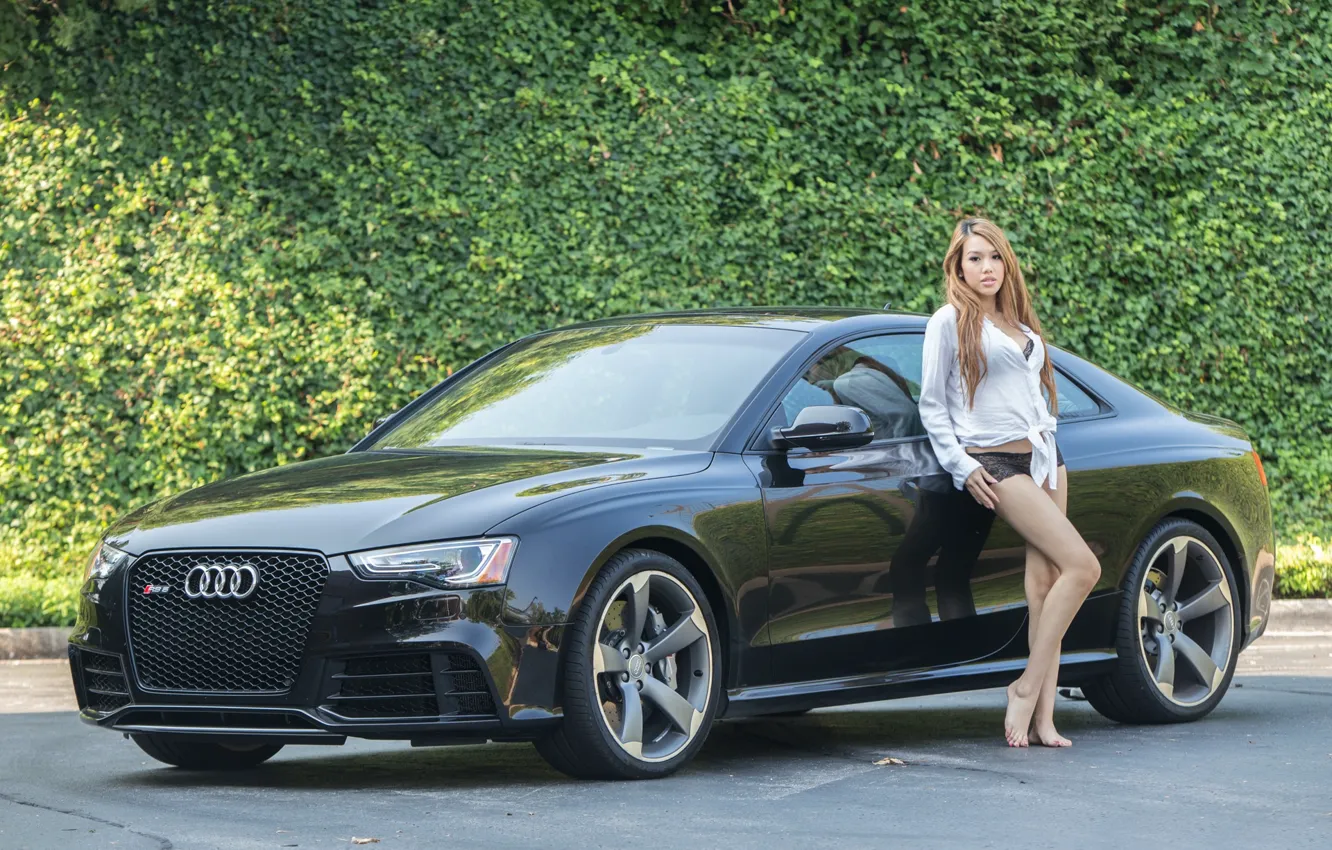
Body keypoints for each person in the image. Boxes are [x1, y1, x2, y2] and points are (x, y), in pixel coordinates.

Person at [917, 217, 1101, 748]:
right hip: (994, 462)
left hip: (1044, 457)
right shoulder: (948, 322)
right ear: (958, 266)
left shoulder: (1017, 320)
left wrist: (1046, 439)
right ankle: (1022, 689)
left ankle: (1045, 718)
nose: (986, 268)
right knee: (1083, 566)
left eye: (994, 257)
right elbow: (932, 405)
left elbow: (1031, 395)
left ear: (1006, 262)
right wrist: (962, 465)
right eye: (974, 258)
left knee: (1046, 588)